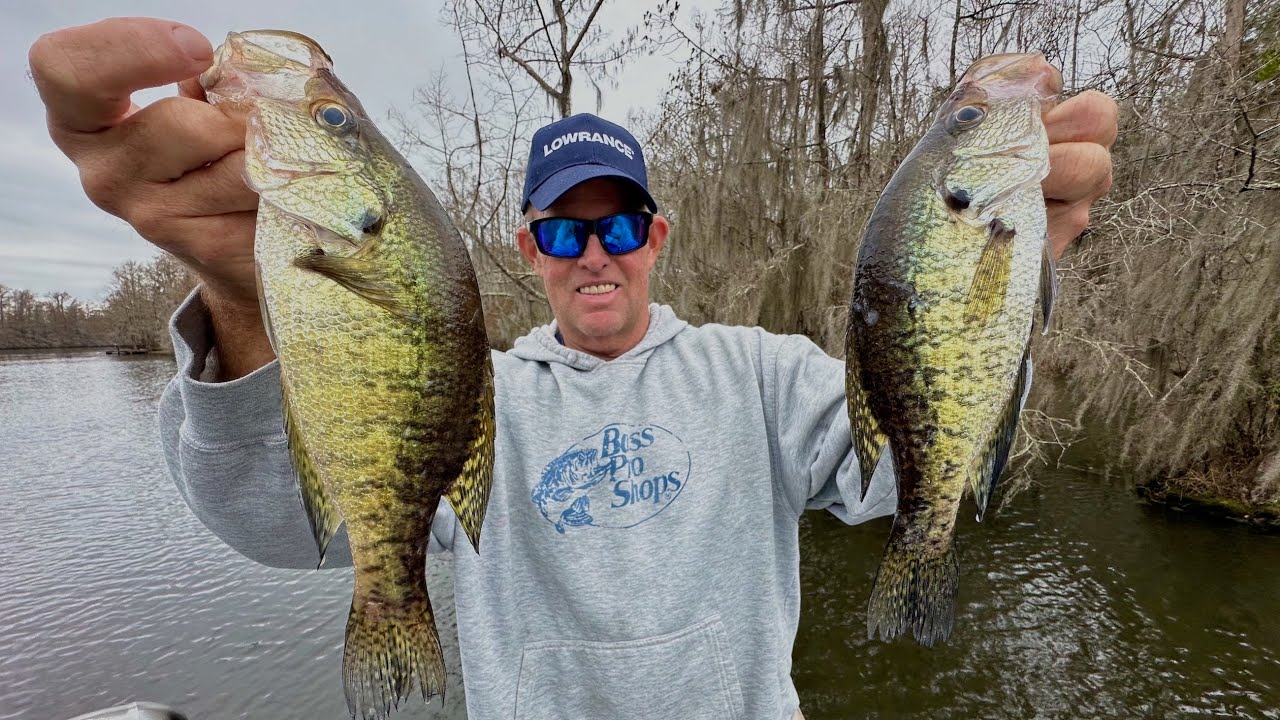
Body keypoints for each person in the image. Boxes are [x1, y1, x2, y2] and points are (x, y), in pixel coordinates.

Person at [28, 17, 1119, 720]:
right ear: (526, 251)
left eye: (617, 225)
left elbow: (896, 473)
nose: (592, 253)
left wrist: (1005, 289)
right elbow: (280, 528)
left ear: (656, 236)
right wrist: (242, 297)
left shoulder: (763, 376)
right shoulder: (469, 390)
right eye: (561, 232)